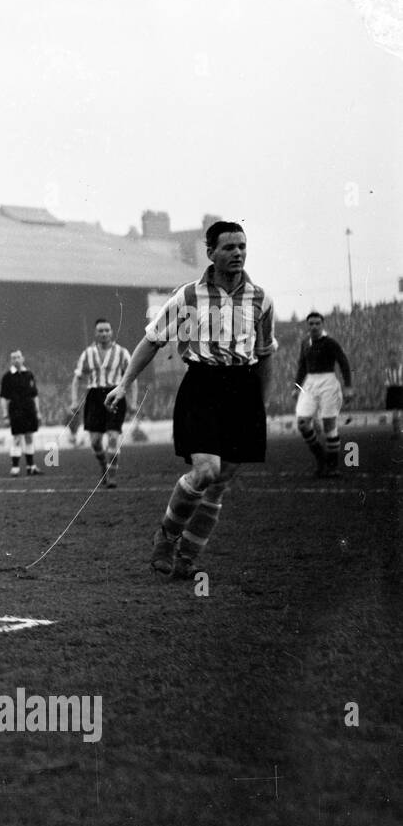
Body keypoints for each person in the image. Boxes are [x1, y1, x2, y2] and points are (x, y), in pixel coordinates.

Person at [105, 220, 275, 580]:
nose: (238, 253)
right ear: (210, 252)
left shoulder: (261, 298)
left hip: (241, 390)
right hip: (203, 385)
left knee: (220, 482)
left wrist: (261, 402)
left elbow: (265, 352)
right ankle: (166, 538)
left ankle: (187, 557)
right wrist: (123, 384)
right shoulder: (189, 296)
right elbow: (153, 340)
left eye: (242, 246)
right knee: (206, 471)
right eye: (229, 247)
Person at [70, 318, 135, 487]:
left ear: (112, 332)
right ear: (95, 333)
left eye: (107, 330)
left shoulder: (122, 352)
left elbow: (132, 378)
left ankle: (111, 477)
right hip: (94, 396)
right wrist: (74, 401)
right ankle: (103, 465)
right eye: (101, 331)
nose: (104, 333)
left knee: (113, 436)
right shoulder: (87, 354)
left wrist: (133, 401)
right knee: (95, 441)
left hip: (114, 395)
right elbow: (77, 379)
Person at [292, 312, 353, 477]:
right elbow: (302, 366)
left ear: (322, 325)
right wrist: (297, 386)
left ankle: (332, 467)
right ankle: (321, 458)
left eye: (317, 323)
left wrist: (348, 387)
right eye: (311, 324)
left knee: (329, 425)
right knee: (303, 423)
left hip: (328, 382)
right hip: (310, 383)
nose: (314, 327)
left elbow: (344, 363)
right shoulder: (305, 343)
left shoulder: (330, 343)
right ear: (308, 325)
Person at [0, 349, 41, 476]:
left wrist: (38, 412)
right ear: (11, 360)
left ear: (23, 358)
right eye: (13, 358)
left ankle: (31, 466)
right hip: (15, 410)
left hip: (29, 409)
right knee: (17, 438)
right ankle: (15, 468)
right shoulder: (7, 377)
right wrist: (5, 415)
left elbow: (35, 395)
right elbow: (3, 397)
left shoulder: (29, 374)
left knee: (29, 437)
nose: (16, 359)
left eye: (18, 357)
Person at [386, 347, 403, 438]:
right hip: (392, 391)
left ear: (397, 357)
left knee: (397, 412)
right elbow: (387, 381)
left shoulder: (401, 368)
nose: (392, 359)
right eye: (390, 357)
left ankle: (398, 431)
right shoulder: (388, 370)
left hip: (400, 390)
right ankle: (396, 431)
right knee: (394, 412)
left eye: (394, 356)